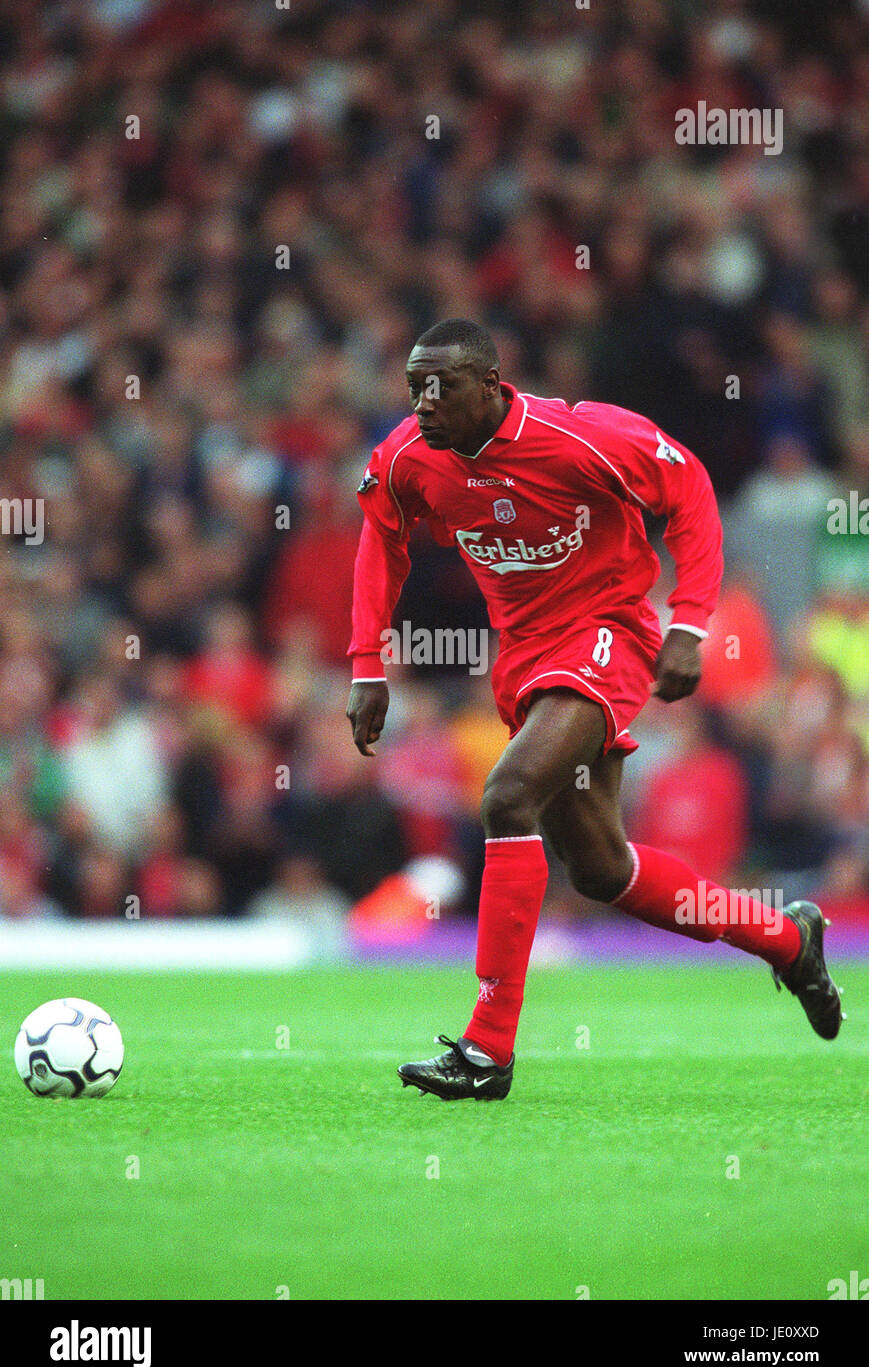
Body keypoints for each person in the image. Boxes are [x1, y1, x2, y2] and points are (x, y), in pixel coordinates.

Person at [346, 320, 843, 1101]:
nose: (424, 402)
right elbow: (381, 539)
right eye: (414, 386)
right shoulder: (409, 457)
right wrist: (367, 663)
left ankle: (486, 1049)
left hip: (606, 634)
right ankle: (786, 938)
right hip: (521, 661)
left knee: (507, 795)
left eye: (440, 386)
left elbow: (690, 492)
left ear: (490, 384)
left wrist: (687, 622)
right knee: (603, 868)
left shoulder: (580, 436)